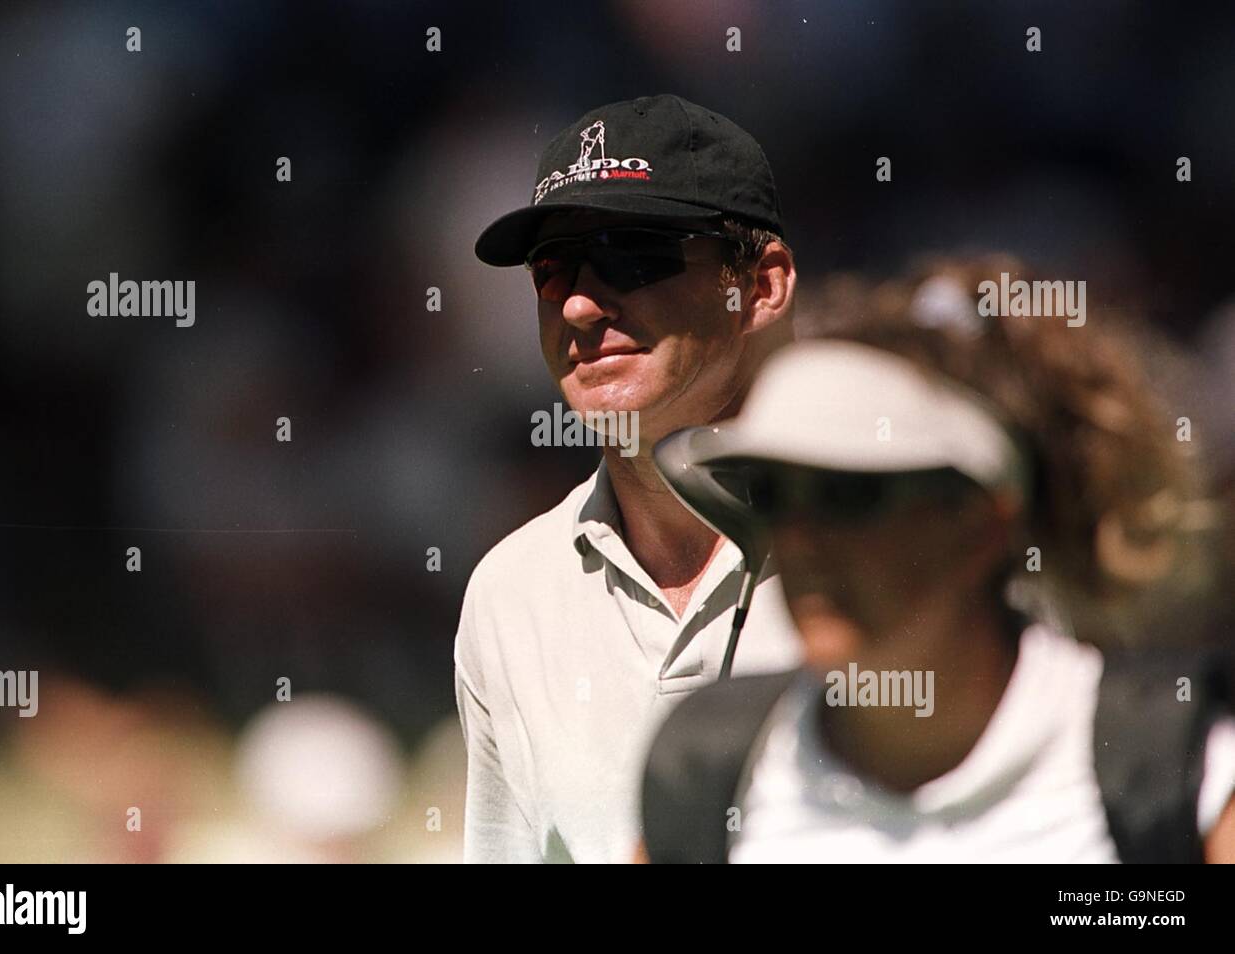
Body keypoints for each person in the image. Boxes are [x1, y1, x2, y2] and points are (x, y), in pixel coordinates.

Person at [641, 259, 1235, 862]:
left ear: (982, 524)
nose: (798, 542)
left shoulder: (1178, 775)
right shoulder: (703, 774)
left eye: (849, 495)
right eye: (771, 495)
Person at [455, 93, 801, 862]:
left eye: (631, 253)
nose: (578, 303)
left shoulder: (884, 543)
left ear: (763, 285)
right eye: (553, 270)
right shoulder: (510, 594)